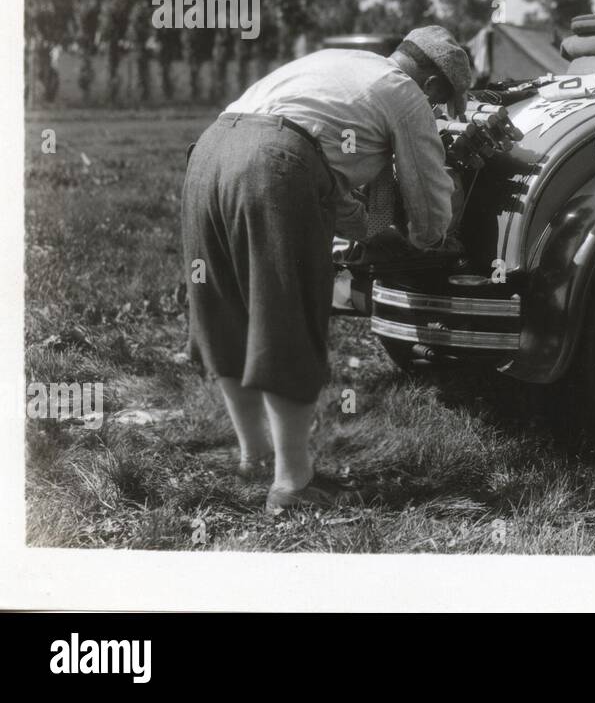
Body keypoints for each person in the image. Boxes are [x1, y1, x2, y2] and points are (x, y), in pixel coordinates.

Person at [181, 25, 470, 513]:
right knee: (286, 316)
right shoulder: (406, 94)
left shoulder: (340, 64)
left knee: (224, 310)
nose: (440, 111)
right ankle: (293, 484)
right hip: (272, 165)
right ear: (435, 87)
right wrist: (431, 239)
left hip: (208, 153)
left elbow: (327, 174)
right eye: (444, 104)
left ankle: (254, 457)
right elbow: (426, 189)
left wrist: (366, 229)